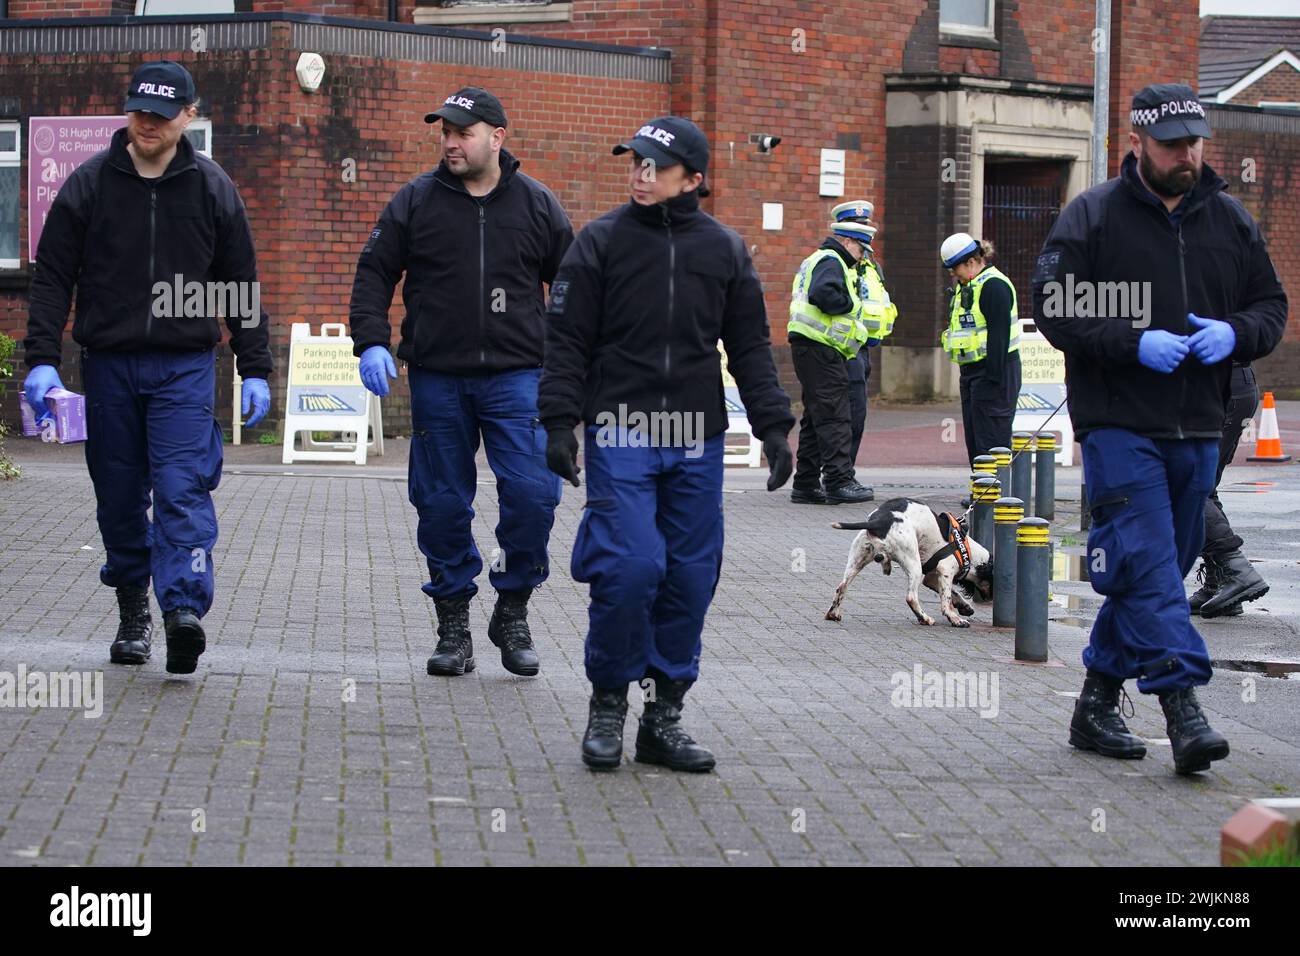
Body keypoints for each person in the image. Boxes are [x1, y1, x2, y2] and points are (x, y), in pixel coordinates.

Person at [1033, 83, 1287, 775]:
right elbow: (1053, 306)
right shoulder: (1093, 218)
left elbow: (1270, 305)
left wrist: (1233, 335)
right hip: (1119, 424)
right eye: (1172, 142)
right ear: (1138, 142)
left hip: (1200, 427)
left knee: (1156, 571)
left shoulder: (1229, 221)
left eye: (1193, 140)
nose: (1186, 153)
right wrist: (1131, 340)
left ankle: (1094, 703)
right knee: (1149, 567)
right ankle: (1183, 707)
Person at [539, 116, 794, 772]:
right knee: (631, 568)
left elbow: (749, 348)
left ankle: (661, 716)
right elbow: (565, 340)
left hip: (695, 438)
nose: (641, 175)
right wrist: (559, 423)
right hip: (620, 430)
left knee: (688, 574)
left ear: (694, 179)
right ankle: (607, 703)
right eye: (635, 163)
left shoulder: (725, 250)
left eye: (655, 166)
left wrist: (773, 428)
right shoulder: (598, 243)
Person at [23, 60, 272, 675]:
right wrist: (41, 362)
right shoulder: (88, 185)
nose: (148, 123)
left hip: (185, 368)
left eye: (162, 114)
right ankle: (133, 612)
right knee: (118, 496)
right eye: (139, 111)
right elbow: (52, 277)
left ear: (189, 115)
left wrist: (257, 364)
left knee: (183, 487)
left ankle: (182, 612)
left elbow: (239, 282)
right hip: (108, 366)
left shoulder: (213, 189)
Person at [349, 87, 573, 679]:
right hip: (438, 379)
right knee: (443, 503)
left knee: (534, 495)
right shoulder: (417, 201)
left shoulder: (537, 205)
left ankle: (514, 605)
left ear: (497, 138)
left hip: (519, 377)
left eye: (463, 132)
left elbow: (575, 290)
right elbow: (375, 270)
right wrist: (370, 339)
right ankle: (453, 625)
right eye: (444, 131)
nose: (450, 141)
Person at [787, 201, 880, 505]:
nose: (862, 256)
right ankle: (839, 481)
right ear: (847, 241)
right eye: (861, 249)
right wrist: (851, 306)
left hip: (811, 349)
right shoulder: (831, 260)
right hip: (819, 349)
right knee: (836, 415)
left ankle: (805, 483)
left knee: (816, 416)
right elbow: (823, 295)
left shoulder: (823, 259)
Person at [1187, 362, 1269, 618]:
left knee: (1189, 483)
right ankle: (1221, 585)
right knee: (1204, 486)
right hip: (1230, 385)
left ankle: (1236, 571)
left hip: (1217, 387)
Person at [938, 234, 1021, 468]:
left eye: (954, 268)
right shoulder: (968, 286)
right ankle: (981, 491)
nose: (952, 274)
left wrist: (991, 380)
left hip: (995, 372)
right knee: (975, 437)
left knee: (991, 437)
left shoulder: (994, 286)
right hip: (972, 372)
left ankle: (993, 495)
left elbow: (999, 336)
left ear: (971, 262)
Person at [848, 204, 898, 463]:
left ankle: (844, 472)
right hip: (846, 347)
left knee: (858, 413)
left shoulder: (872, 267)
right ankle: (837, 476)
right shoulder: (843, 265)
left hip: (866, 347)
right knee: (848, 414)